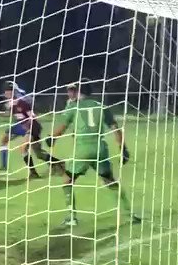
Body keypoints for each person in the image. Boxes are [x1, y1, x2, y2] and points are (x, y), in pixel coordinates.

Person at [48, 82, 137, 229]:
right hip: (100, 149)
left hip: (83, 149)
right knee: (110, 181)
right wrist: (123, 149)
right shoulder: (101, 106)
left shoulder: (73, 107)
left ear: (78, 92)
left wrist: (51, 138)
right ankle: (129, 213)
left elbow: (61, 128)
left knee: (67, 181)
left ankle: (72, 217)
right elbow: (116, 130)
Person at [0, 81, 54, 178]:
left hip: (31, 126)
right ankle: (4, 166)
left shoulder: (22, 101)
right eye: (6, 91)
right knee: (4, 139)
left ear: (13, 91)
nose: (6, 93)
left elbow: (32, 117)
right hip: (20, 125)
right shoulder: (11, 102)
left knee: (33, 152)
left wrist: (28, 129)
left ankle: (48, 167)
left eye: (9, 91)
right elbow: (11, 113)